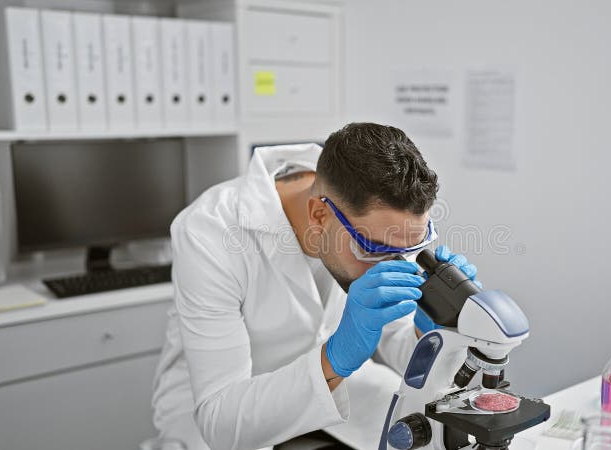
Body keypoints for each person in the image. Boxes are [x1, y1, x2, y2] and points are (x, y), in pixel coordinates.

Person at [151, 123, 478, 450]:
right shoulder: (209, 232)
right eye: (373, 250)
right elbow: (220, 422)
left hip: (343, 387)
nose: (391, 264)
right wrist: (335, 358)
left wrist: (432, 332)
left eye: (407, 250)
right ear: (319, 214)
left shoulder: (377, 219)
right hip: (227, 408)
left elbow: (405, 354)